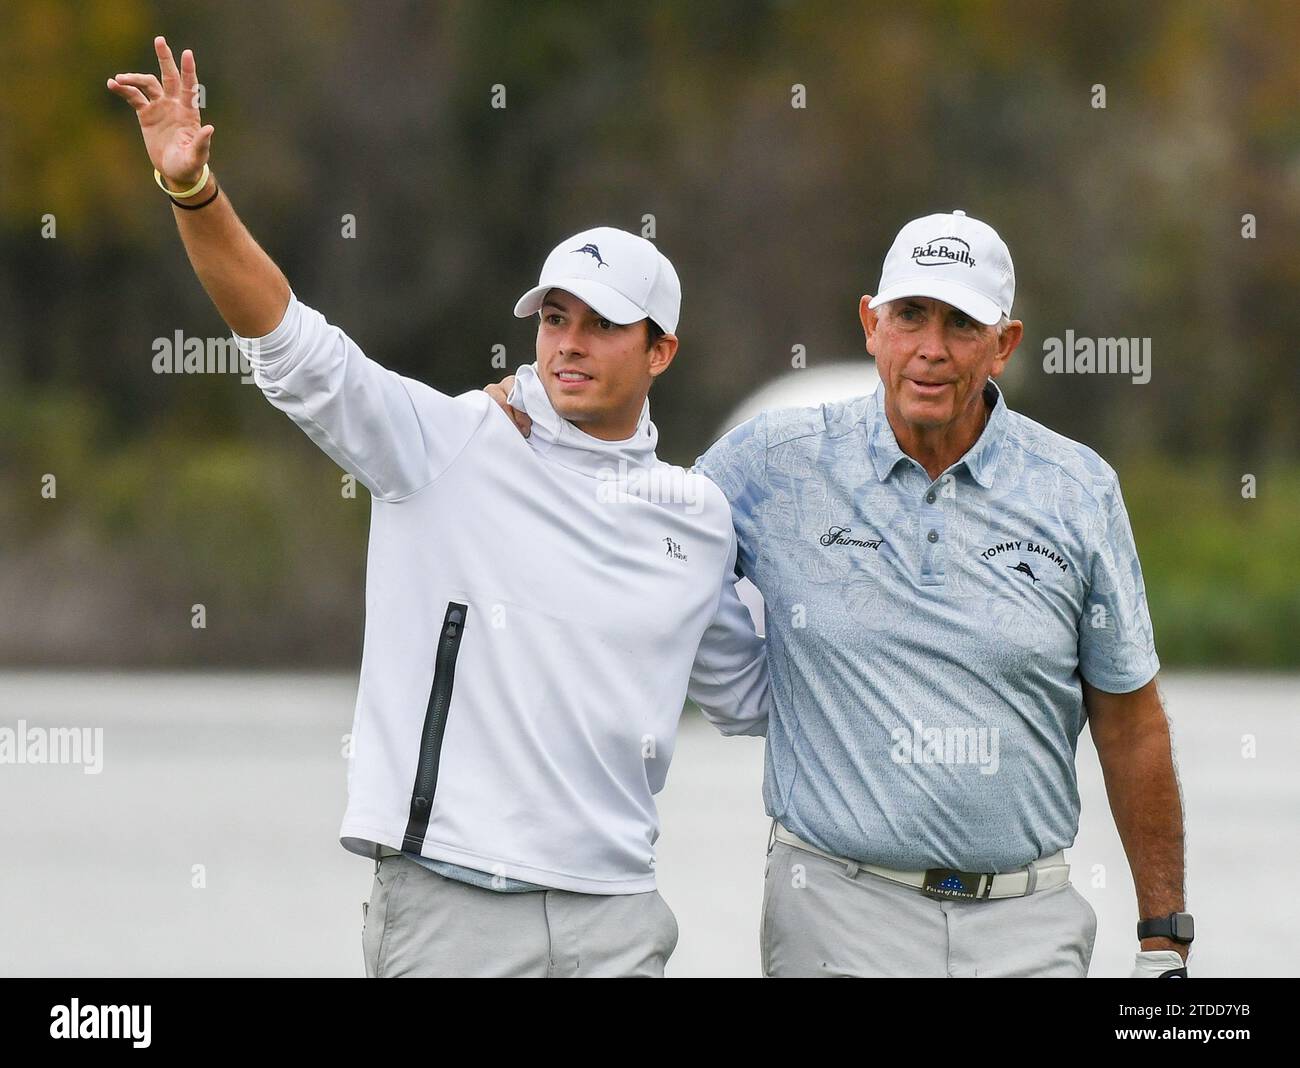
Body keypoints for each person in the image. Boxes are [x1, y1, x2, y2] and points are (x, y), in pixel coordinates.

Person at [109, 36, 768, 978]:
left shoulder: (696, 516)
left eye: (601, 325)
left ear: (660, 351)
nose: (568, 344)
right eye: (553, 318)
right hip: (452, 902)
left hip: (618, 913)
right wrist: (194, 193)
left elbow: (758, 696)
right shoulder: (452, 441)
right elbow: (293, 344)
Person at [489, 209, 1190, 978]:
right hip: (836, 914)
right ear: (871, 323)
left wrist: (1162, 934)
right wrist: (531, 434)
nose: (930, 349)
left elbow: (1130, 722)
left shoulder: (1077, 488)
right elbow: (641, 536)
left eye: (961, 324)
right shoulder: (774, 462)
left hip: (1029, 923)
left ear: (1004, 344)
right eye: (911, 316)